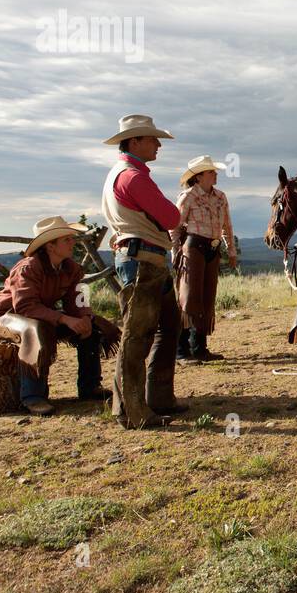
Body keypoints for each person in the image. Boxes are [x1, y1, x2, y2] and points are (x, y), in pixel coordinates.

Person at [99, 114, 186, 428]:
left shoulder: (121, 174)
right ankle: (133, 410)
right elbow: (170, 216)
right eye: (152, 139)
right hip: (143, 261)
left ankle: (158, 398)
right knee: (139, 336)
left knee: (167, 326)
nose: (158, 144)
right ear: (134, 141)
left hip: (144, 259)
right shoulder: (133, 177)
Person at [0, 217, 121, 416]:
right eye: (66, 239)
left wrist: (84, 317)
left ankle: (89, 387)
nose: (72, 242)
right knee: (36, 330)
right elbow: (24, 306)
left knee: (92, 327)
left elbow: (78, 298)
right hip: (4, 320)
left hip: (38, 317)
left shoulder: (71, 268)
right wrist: (65, 319)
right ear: (50, 245)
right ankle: (32, 397)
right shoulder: (28, 267)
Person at [174, 155, 237, 362]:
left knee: (207, 297)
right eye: (211, 171)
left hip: (213, 248)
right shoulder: (188, 196)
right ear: (199, 176)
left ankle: (199, 347)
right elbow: (175, 226)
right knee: (189, 297)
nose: (215, 174)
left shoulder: (220, 197)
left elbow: (227, 225)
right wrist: (175, 254)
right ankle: (181, 350)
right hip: (193, 247)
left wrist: (231, 251)